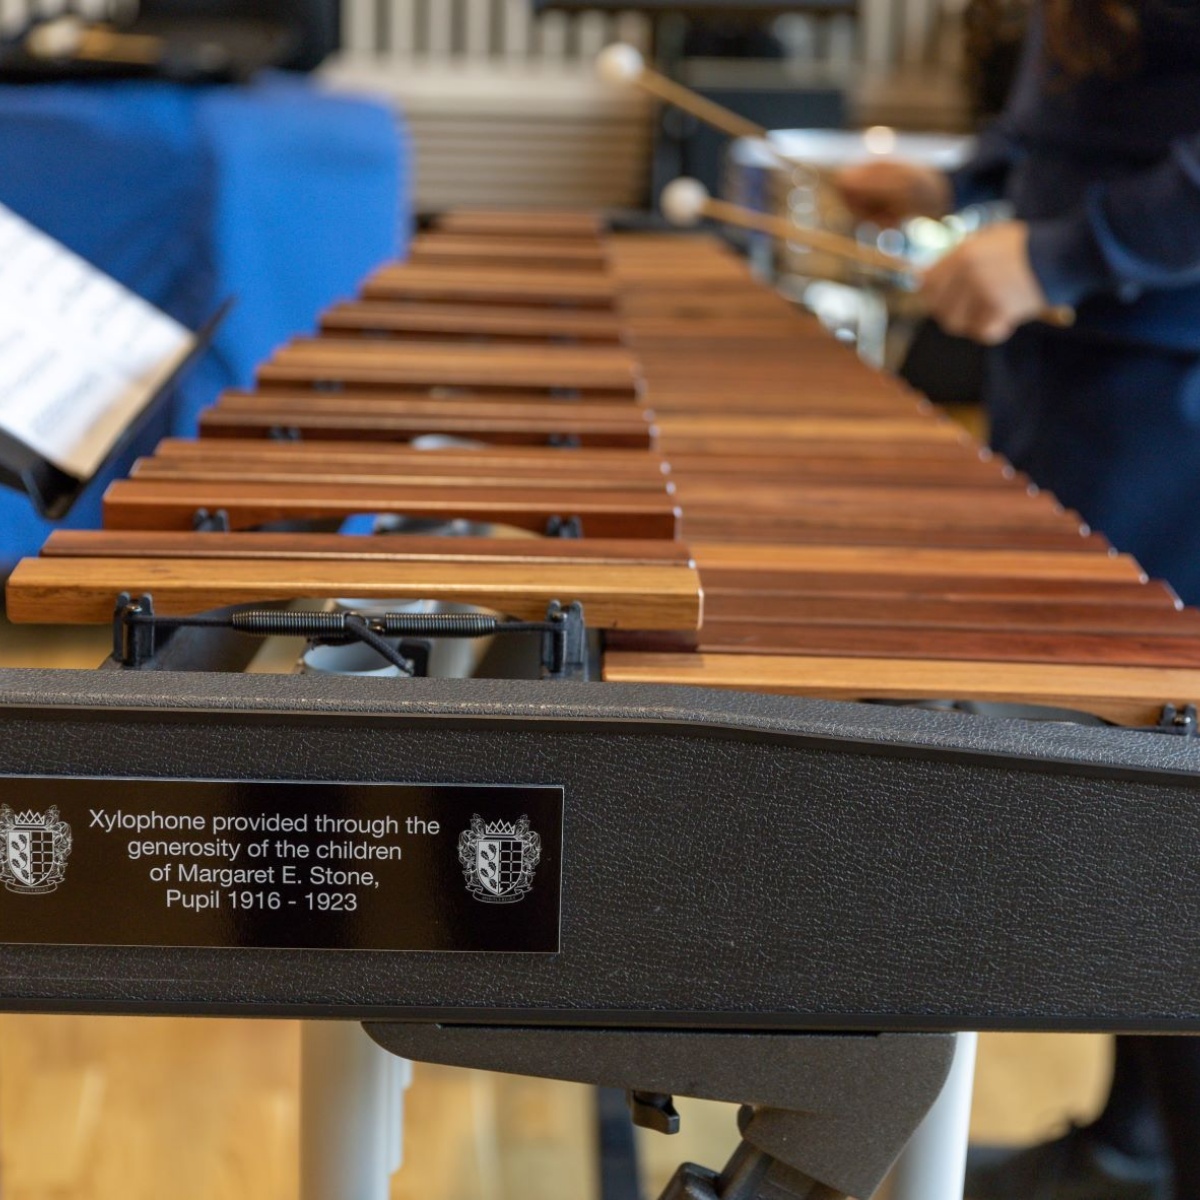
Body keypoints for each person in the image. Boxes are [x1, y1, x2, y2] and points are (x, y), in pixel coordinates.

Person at [831, 3, 1200, 1197]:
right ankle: (1134, 1137)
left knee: (1165, 795)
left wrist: (1060, 253)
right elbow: (1101, 97)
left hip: (1172, 376)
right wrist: (966, 178)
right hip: (1077, 361)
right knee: (1132, 783)